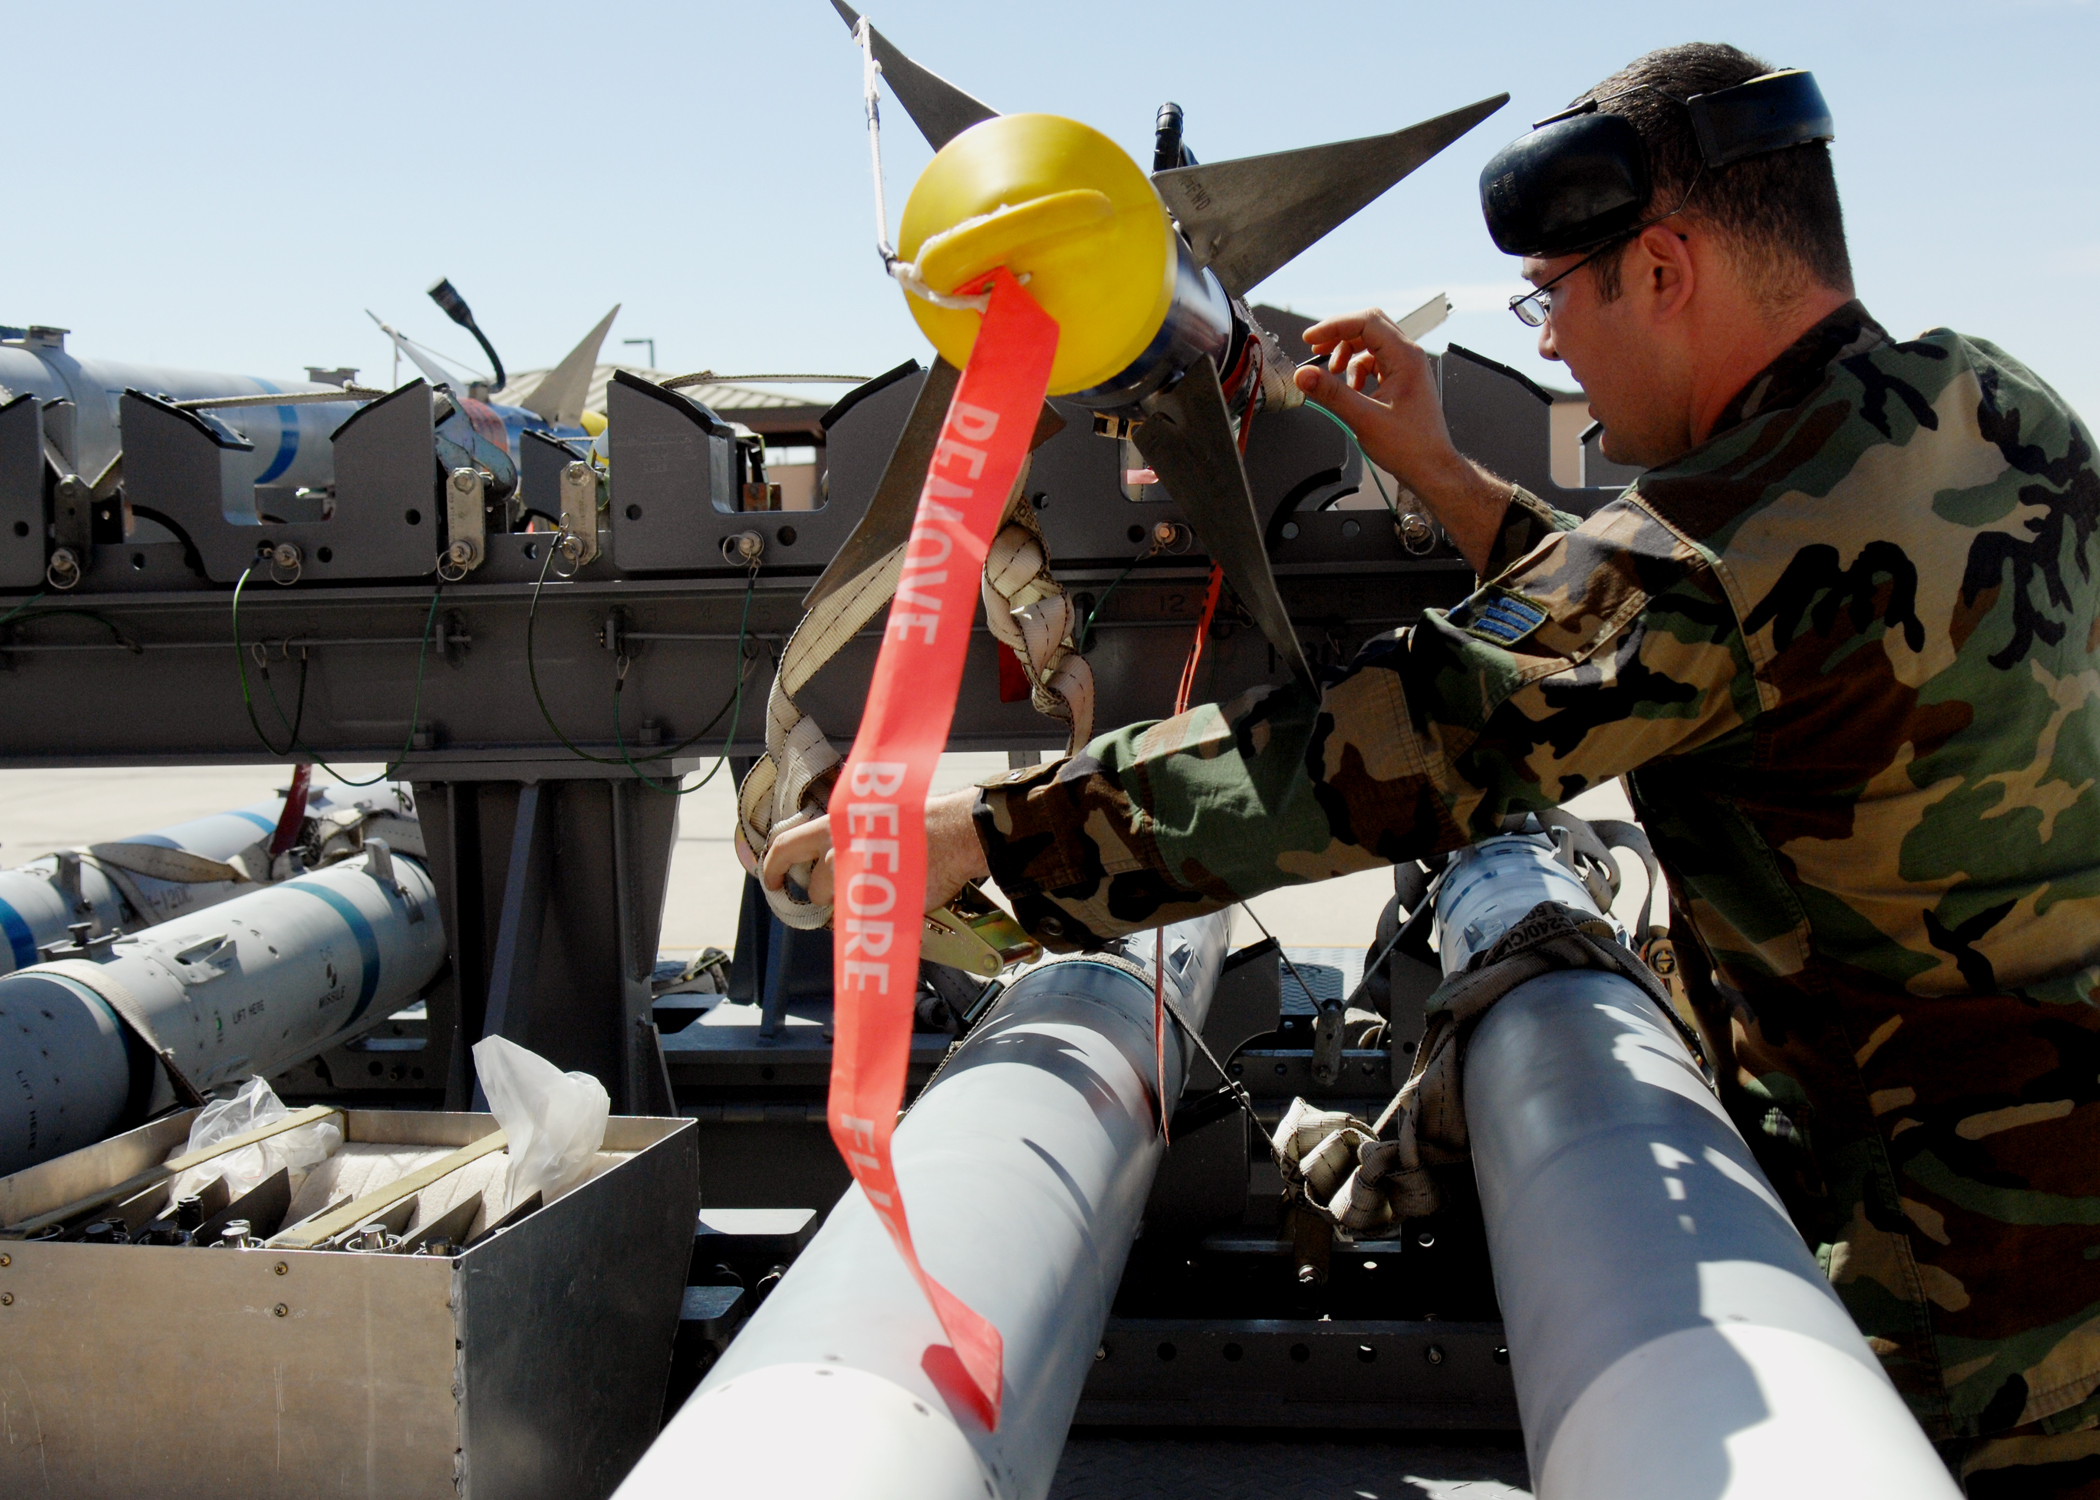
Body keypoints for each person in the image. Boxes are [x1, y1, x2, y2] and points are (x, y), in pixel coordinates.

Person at [767, 42, 2100, 1496]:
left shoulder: (1730, 547)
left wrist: (986, 837)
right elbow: (1675, 627)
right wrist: (1444, 473)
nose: (1551, 347)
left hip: (1984, 1294)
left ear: (1664, 269)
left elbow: (1415, 734)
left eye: (1555, 296)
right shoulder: (1988, 400)